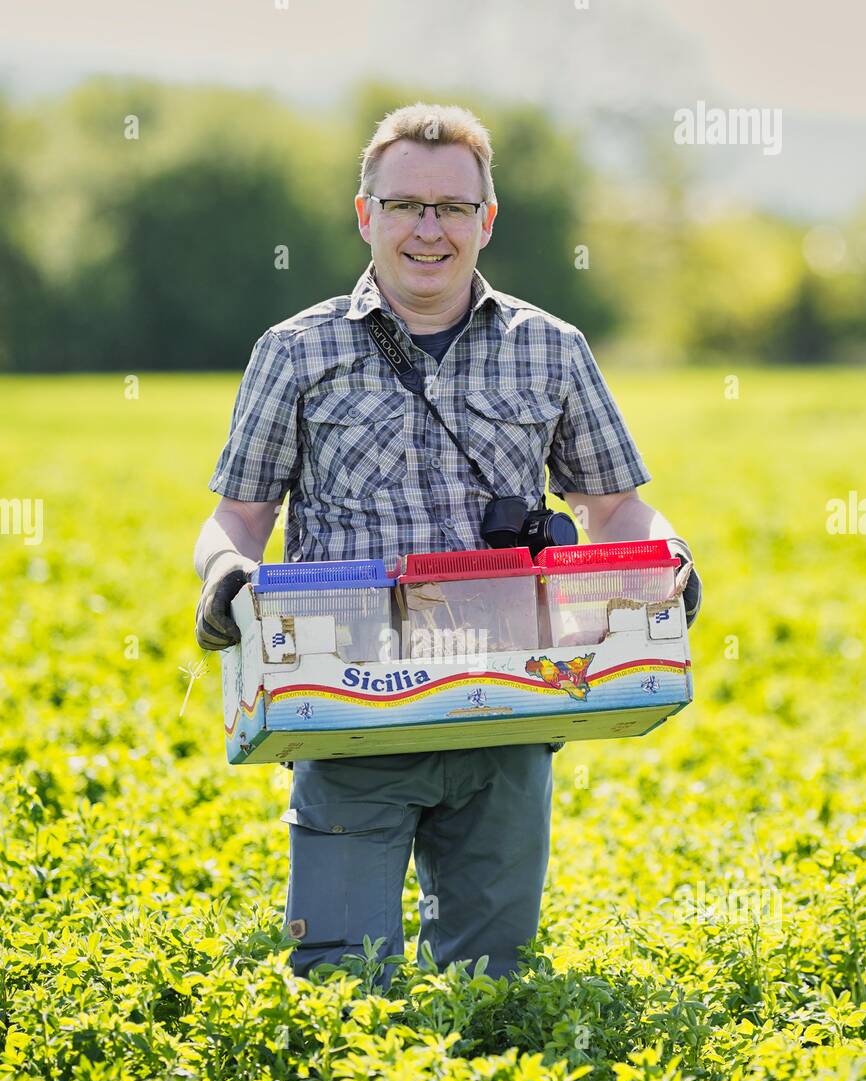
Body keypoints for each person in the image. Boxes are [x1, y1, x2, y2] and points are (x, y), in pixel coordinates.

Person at [193, 102, 702, 988]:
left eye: (453, 208)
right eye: (405, 205)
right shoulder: (297, 352)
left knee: (493, 979)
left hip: (513, 707)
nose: (429, 229)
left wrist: (671, 557)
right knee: (339, 976)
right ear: (367, 214)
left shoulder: (551, 349)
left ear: (486, 220)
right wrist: (225, 571)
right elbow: (240, 516)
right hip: (350, 706)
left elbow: (616, 506)